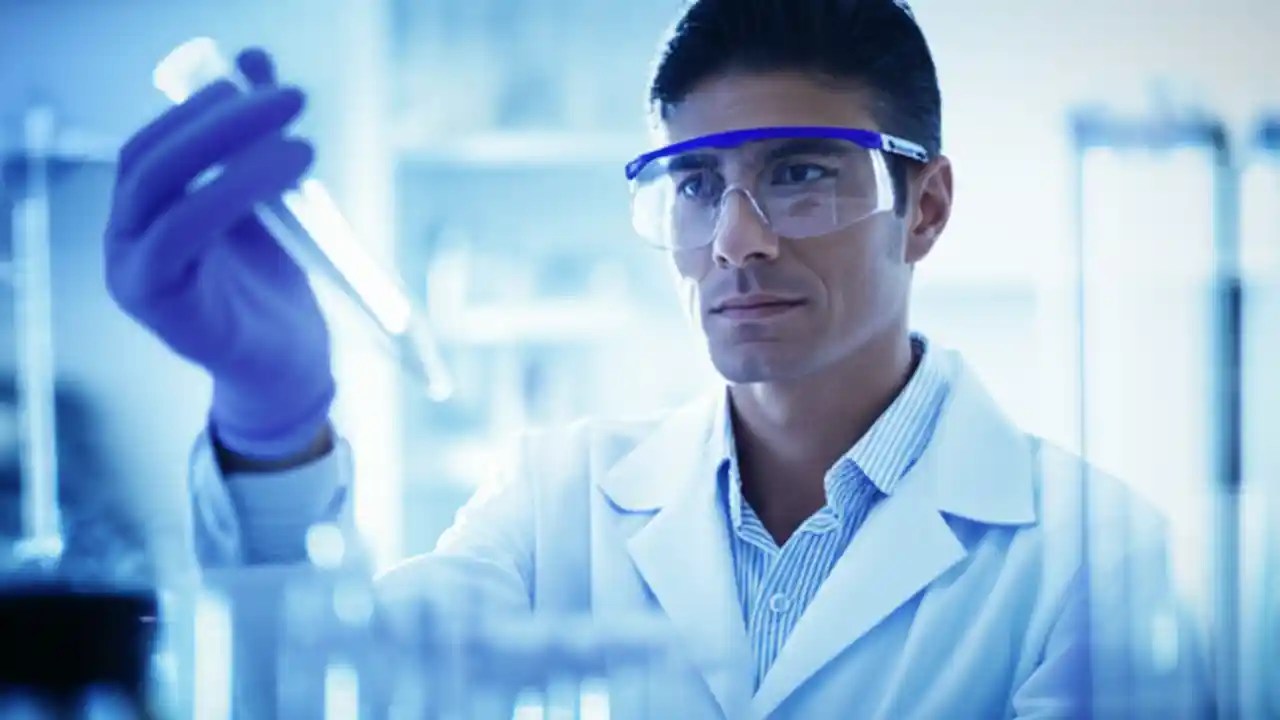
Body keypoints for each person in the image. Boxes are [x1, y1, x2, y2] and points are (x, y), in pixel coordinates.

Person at [104, 0, 1207, 717]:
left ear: (923, 208)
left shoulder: (1092, 560)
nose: (735, 239)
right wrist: (268, 414)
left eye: (799, 173)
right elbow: (331, 698)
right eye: (692, 186)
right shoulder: (554, 500)